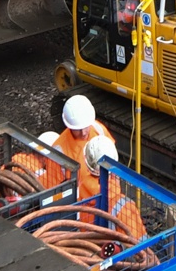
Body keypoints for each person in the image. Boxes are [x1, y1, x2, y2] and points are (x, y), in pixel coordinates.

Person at [50, 95, 145, 236]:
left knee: (127, 223)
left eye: (85, 127)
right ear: (68, 125)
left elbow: (113, 162)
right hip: (86, 213)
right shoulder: (58, 150)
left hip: (111, 199)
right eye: (78, 129)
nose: (83, 133)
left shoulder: (98, 129)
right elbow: (55, 196)